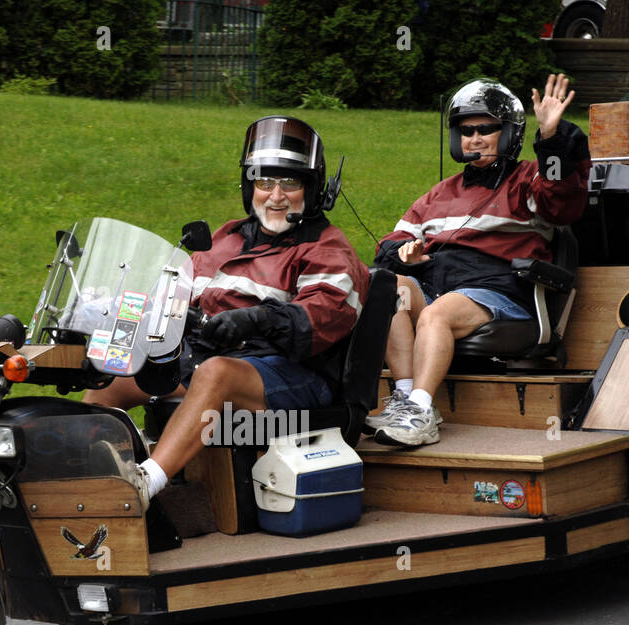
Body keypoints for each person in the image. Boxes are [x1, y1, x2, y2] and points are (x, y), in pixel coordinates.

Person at [84, 115, 370, 507]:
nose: (275, 195)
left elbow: (325, 313)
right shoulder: (228, 236)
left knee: (215, 374)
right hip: (211, 359)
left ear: (313, 189)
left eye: (290, 182)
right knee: (114, 377)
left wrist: (259, 318)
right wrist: (112, 306)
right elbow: (177, 292)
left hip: (297, 376)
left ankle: (144, 485)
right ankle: (85, 477)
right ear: (248, 186)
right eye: (264, 182)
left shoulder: (327, 248)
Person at [366, 73, 590, 446]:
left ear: (509, 133)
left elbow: (563, 202)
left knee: (439, 312)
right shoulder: (439, 193)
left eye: (486, 129)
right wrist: (407, 250)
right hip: (440, 287)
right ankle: (408, 400)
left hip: (502, 293)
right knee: (389, 287)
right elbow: (394, 238)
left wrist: (550, 139)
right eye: (466, 130)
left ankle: (421, 412)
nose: (475, 138)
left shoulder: (529, 179)